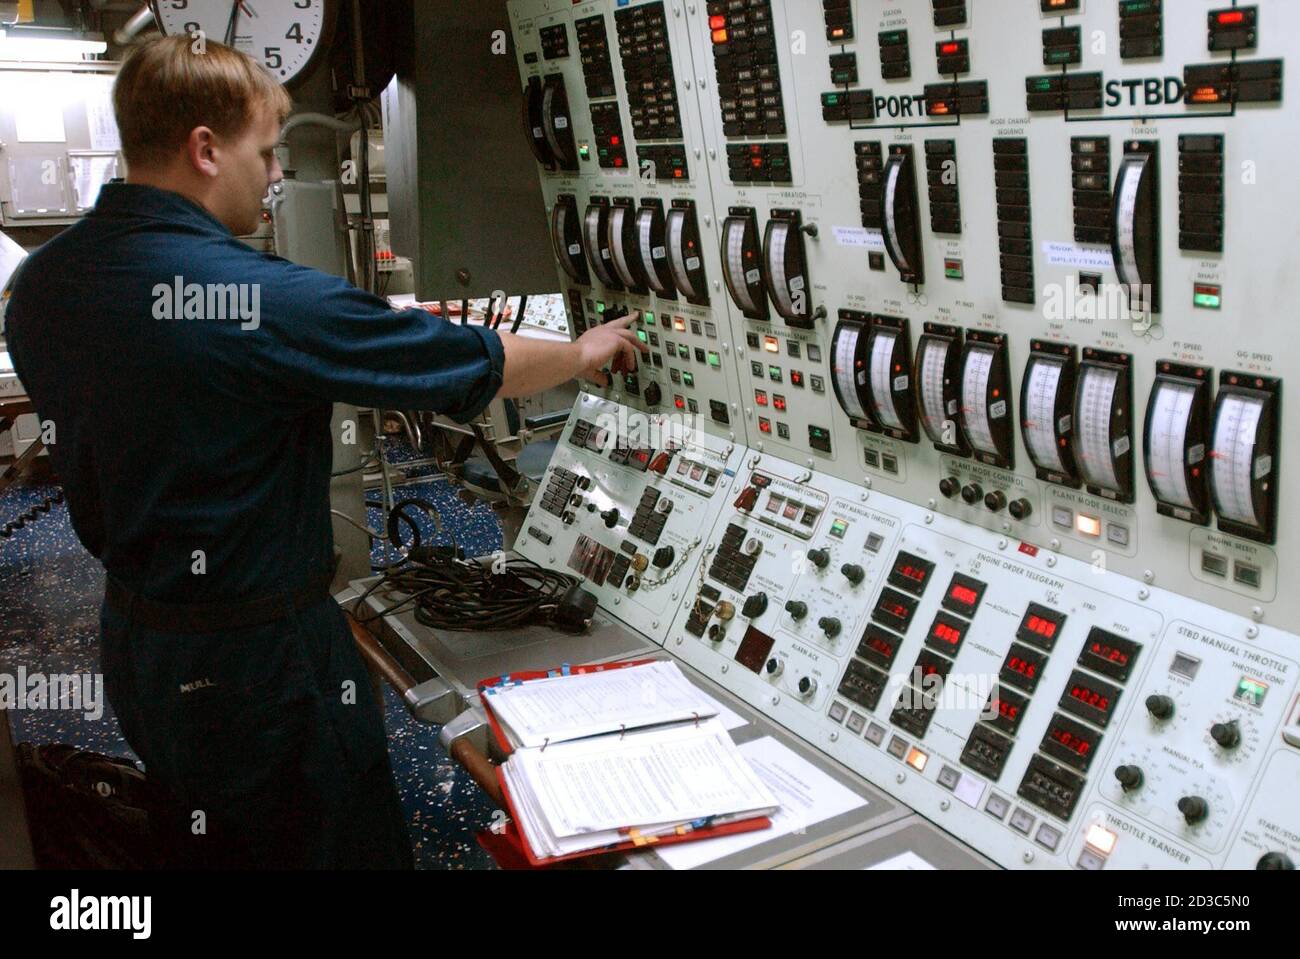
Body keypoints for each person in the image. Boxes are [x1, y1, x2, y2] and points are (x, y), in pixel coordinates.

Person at [4, 36, 644, 868]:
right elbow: (460, 362)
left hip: (141, 642)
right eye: (265, 153)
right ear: (205, 149)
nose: (275, 176)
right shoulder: (255, 299)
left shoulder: (42, 285)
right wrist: (587, 351)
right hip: (263, 666)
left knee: (213, 838)